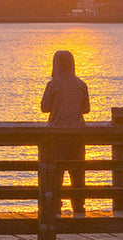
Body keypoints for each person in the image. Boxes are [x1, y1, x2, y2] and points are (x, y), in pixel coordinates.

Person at [40, 49, 90, 217]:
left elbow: (44, 108)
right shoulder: (81, 85)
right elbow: (86, 109)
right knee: (77, 174)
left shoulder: (52, 85)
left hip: (56, 136)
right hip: (77, 135)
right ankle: (79, 207)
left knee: (55, 174)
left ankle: (55, 207)